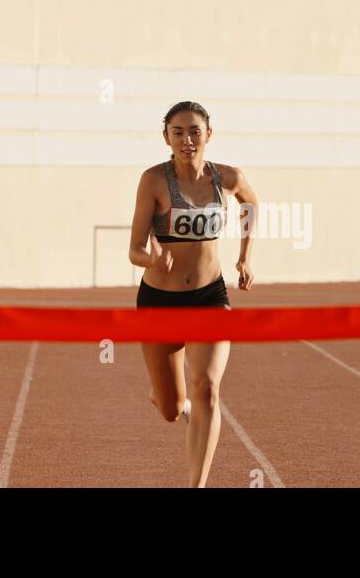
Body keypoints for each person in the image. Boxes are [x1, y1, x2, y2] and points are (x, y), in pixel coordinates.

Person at [128, 101, 258, 487]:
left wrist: (245, 258)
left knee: (208, 389)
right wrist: (150, 258)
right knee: (171, 409)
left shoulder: (228, 177)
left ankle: (196, 485)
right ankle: (168, 396)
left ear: (209, 135)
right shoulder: (153, 180)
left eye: (195, 131)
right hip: (159, 301)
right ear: (166, 137)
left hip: (209, 297)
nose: (187, 139)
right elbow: (133, 248)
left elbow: (250, 202)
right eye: (178, 132)